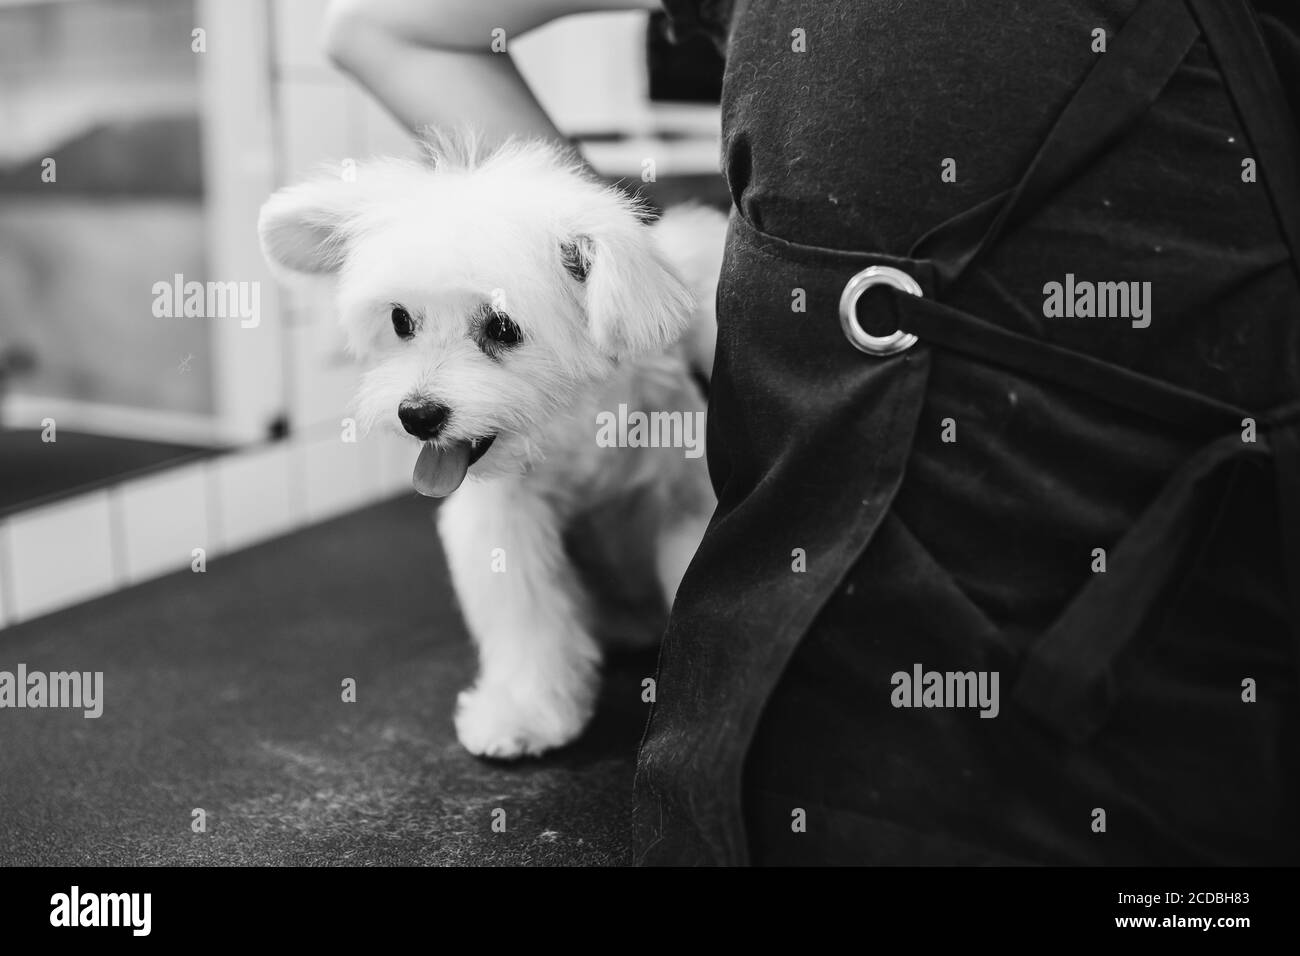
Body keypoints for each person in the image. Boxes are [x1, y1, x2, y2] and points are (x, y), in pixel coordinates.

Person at [325, 0, 1300, 865]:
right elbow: (379, 24)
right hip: (1163, 692)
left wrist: (603, 271)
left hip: (854, 713)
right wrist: (579, 276)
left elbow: (384, 27)